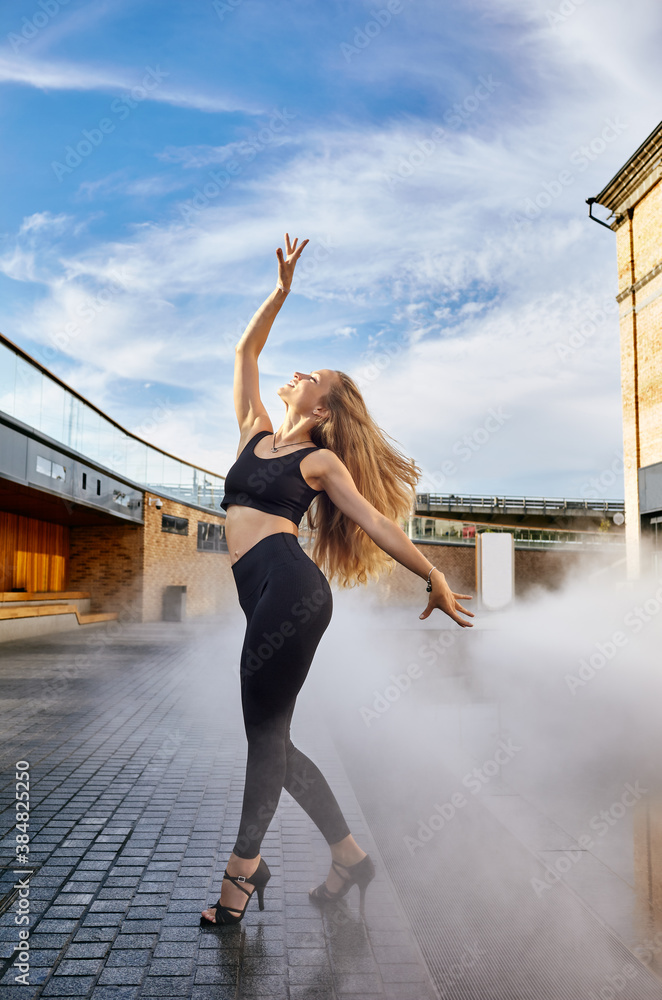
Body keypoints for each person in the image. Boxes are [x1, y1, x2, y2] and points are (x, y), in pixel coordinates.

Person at [200, 234, 474, 927]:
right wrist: (282, 291)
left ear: (322, 411)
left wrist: (432, 575)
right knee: (275, 742)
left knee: (265, 738)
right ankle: (350, 857)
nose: (296, 374)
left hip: (292, 592)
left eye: (311, 376)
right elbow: (244, 354)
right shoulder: (253, 432)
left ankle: (242, 872)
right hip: (262, 591)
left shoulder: (319, 465)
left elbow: (378, 523)